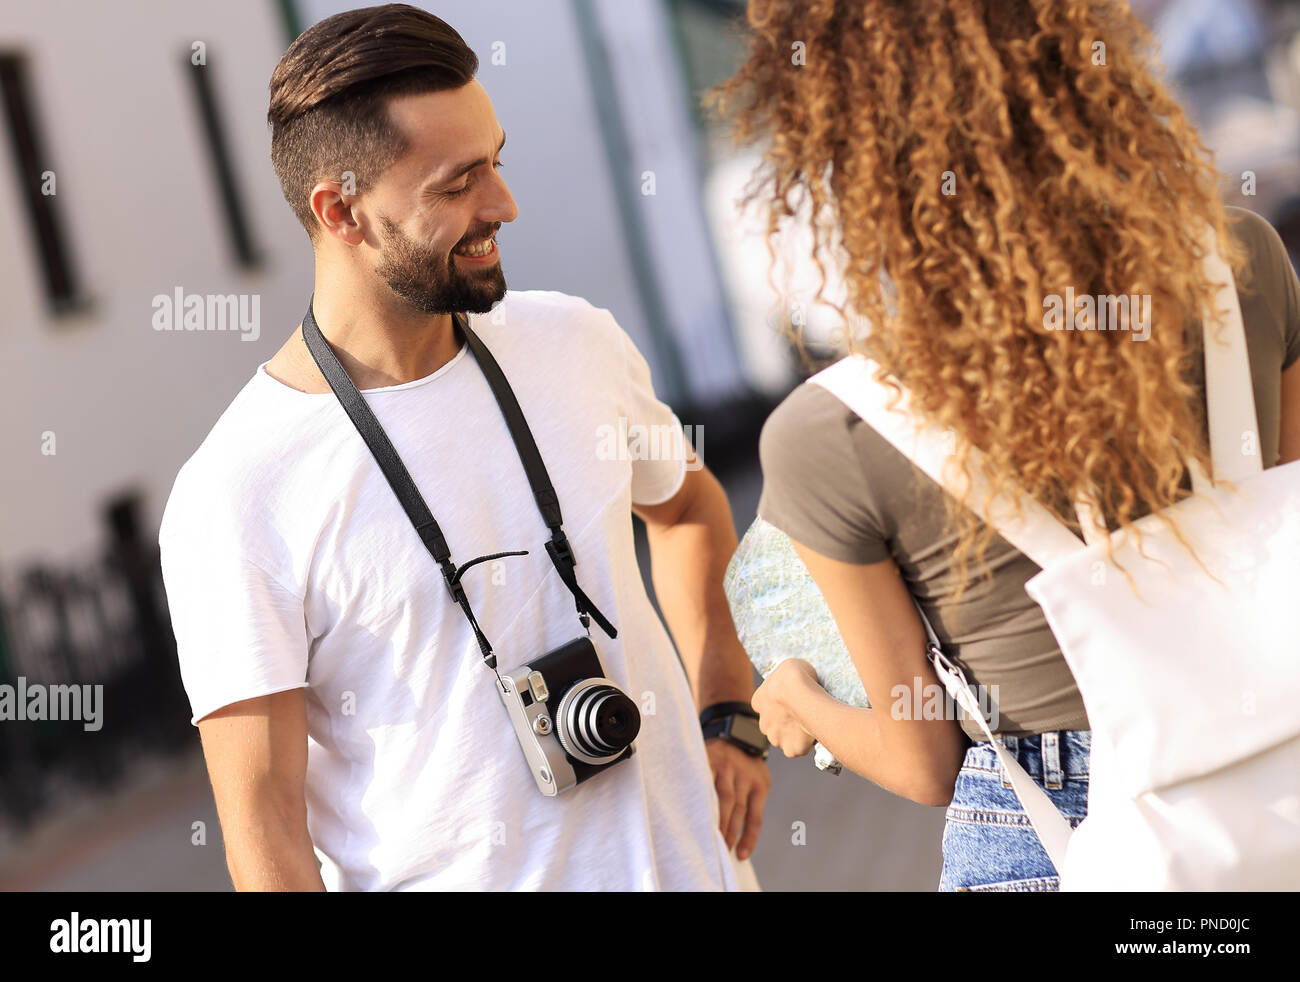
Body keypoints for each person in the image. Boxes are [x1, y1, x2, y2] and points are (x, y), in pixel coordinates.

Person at [158, 3, 768, 891]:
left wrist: (727, 710)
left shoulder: (576, 342)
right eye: (459, 183)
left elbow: (689, 511)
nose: (504, 204)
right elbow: (267, 849)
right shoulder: (237, 494)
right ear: (342, 210)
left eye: (500, 161)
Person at [710, 0, 1300, 891]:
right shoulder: (1240, 268)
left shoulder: (833, 430)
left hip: (1051, 832)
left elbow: (924, 764)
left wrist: (798, 700)